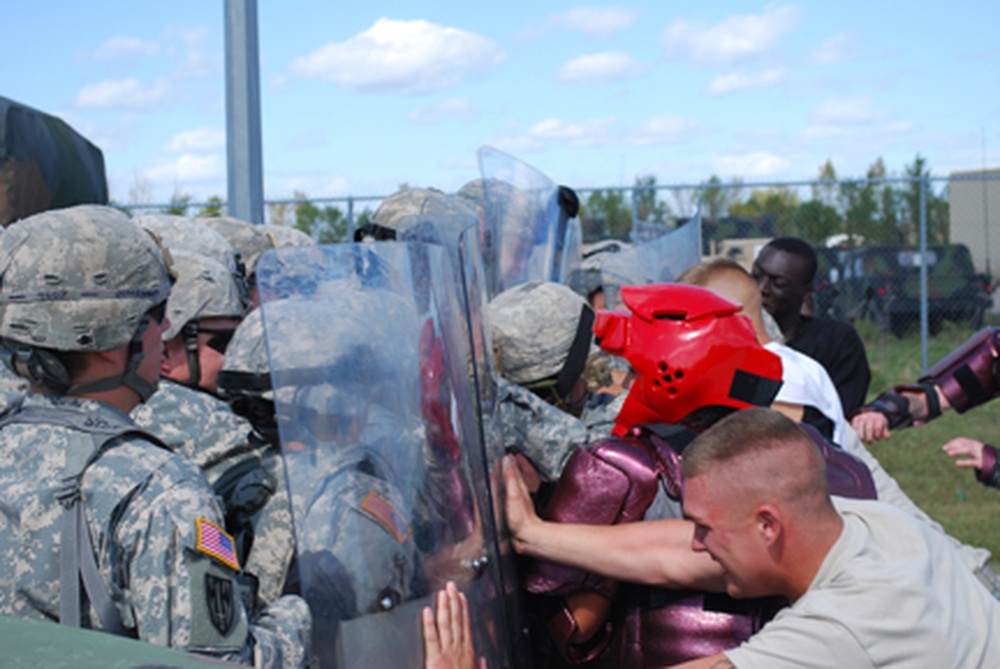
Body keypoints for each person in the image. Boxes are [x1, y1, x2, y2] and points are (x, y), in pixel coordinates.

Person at [0, 205, 309, 667]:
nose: (165, 330)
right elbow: (215, 663)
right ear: (108, 339)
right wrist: (297, 618)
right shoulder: (160, 490)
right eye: (156, 314)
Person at [518, 282, 874, 668]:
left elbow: (576, 629)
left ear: (664, 377)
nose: (623, 384)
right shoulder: (814, 456)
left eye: (634, 372)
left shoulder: (622, 466)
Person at [505, 408, 1000, 668]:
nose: (697, 541)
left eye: (706, 528)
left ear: (767, 526)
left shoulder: (843, 629)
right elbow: (674, 552)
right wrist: (534, 535)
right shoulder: (869, 525)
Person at [752, 237, 871, 414]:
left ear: (806, 292)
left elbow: (837, 416)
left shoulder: (836, 344)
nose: (762, 288)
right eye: (756, 276)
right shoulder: (734, 339)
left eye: (778, 283)